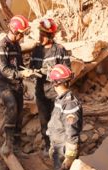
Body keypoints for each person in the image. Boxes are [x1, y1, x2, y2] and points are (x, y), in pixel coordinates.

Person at [0, 15, 36, 156]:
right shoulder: (2, 46)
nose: (23, 37)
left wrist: (28, 71)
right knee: (11, 106)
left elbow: (19, 65)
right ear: (15, 31)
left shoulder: (16, 45)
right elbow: (4, 70)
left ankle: (16, 147)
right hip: (4, 85)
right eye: (22, 34)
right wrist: (21, 75)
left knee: (19, 115)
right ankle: (8, 143)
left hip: (17, 84)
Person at [29, 18, 71, 154]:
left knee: (58, 121)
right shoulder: (36, 51)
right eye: (39, 33)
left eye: (43, 35)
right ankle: (48, 147)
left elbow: (67, 72)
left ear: (51, 36)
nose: (40, 37)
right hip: (41, 91)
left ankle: (61, 147)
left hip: (56, 92)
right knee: (44, 121)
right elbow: (31, 69)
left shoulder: (59, 50)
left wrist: (55, 79)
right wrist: (33, 73)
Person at [45, 64, 81, 170]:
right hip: (58, 149)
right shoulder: (61, 100)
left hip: (64, 152)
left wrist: (70, 157)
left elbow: (72, 132)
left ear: (56, 83)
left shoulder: (70, 104)